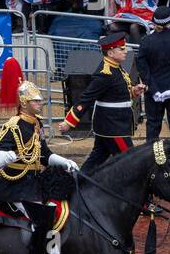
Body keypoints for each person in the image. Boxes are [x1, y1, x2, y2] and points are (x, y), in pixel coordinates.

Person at [0, 80, 81, 254]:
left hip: (33, 182)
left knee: (58, 210)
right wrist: (7, 156)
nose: (40, 103)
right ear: (24, 102)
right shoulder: (14, 125)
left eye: (40, 100)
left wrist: (64, 162)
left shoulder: (36, 124)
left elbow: (43, 155)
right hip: (13, 185)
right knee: (42, 220)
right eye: (36, 100)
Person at [57, 30, 144, 174]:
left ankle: (79, 181)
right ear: (110, 53)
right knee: (130, 160)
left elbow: (115, 93)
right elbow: (86, 98)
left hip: (113, 125)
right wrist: (69, 121)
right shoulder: (104, 73)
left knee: (97, 159)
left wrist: (134, 91)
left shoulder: (116, 67)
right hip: (113, 127)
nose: (125, 52)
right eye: (121, 49)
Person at [136, 2, 170, 150]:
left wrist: (154, 90)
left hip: (154, 91)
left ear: (154, 23)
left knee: (153, 125)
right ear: (169, 22)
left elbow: (143, 68)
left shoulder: (146, 41)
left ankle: (150, 160)